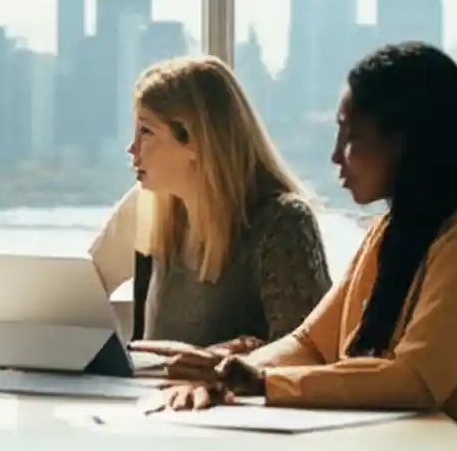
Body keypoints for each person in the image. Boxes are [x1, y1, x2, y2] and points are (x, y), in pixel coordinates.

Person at [145, 43, 457, 451]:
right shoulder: (391, 229)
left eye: (351, 137)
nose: (334, 156)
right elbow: (311, 343)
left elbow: (416, 382)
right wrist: (226, 373)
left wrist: (262, 383)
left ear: (402, 142)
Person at [90, 55, 330, 356]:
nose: (132, 148)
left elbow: (309, 353)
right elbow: (82, 293)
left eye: (146, 131)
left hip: (234, 403)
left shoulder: (283, 223)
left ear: (194, 140)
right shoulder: (147, 205)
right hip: (153, 398)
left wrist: (227, 359)